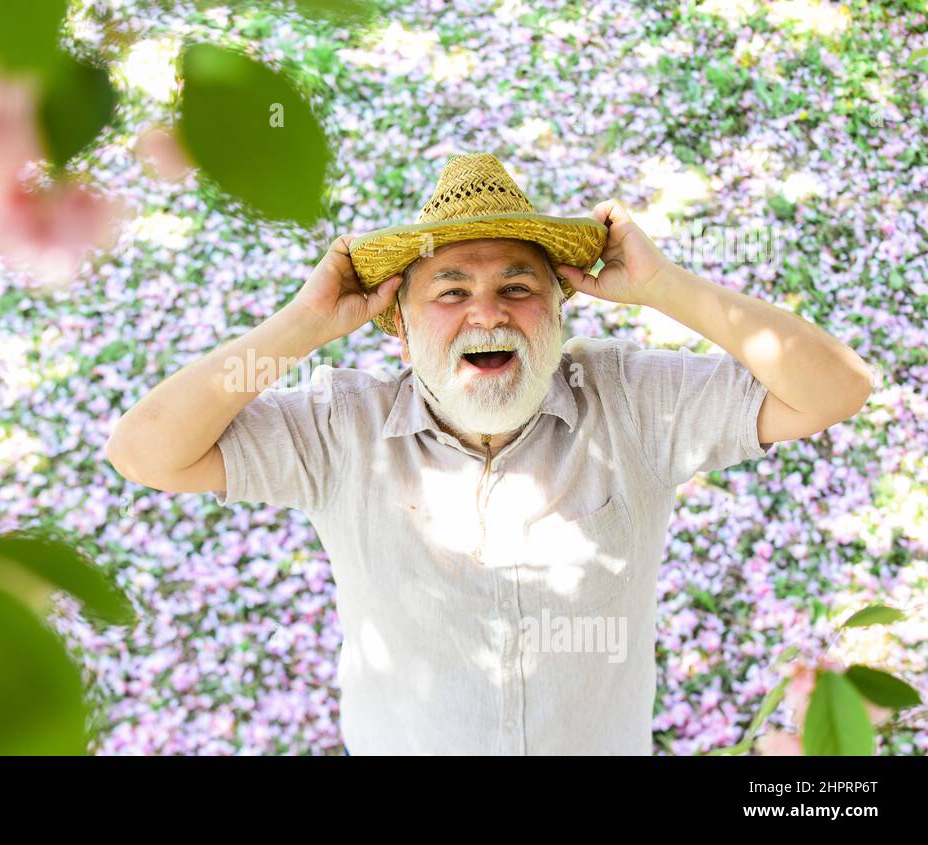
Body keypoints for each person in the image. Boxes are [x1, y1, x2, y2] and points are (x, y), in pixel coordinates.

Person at [104, 153, 874, 755]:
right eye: (449, 292)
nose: (487, 313)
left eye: (517, 286)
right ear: (399, 330)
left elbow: (834, 388)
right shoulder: (344, 430)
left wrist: (665, 286)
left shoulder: (635, 403)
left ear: (561, 312)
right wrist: (304, 323)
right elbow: (146, 452)